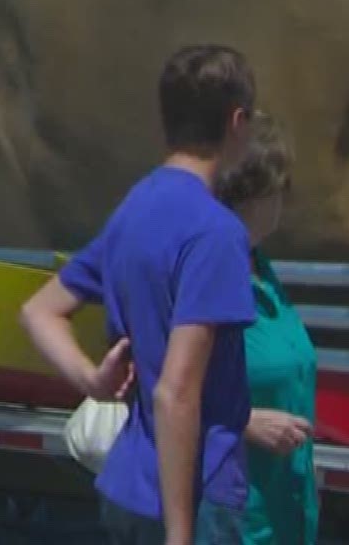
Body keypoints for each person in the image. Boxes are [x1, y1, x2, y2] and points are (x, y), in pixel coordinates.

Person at [19, 44, 265, 545]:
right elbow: (176, 392)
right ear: (237, 122)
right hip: (195, 496)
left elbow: (39, 311)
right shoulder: (216, 233)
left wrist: (92, 380)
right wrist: (180, 533)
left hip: (128, 484)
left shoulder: (134, 209)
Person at [213, 112, 320, 545]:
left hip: (284, 517)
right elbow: (159, 386)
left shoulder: (260, 269)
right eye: (282, 186)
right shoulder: (208, 270)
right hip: (232, 522)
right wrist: (244, 422)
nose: (285, 200)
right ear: (253, 194)